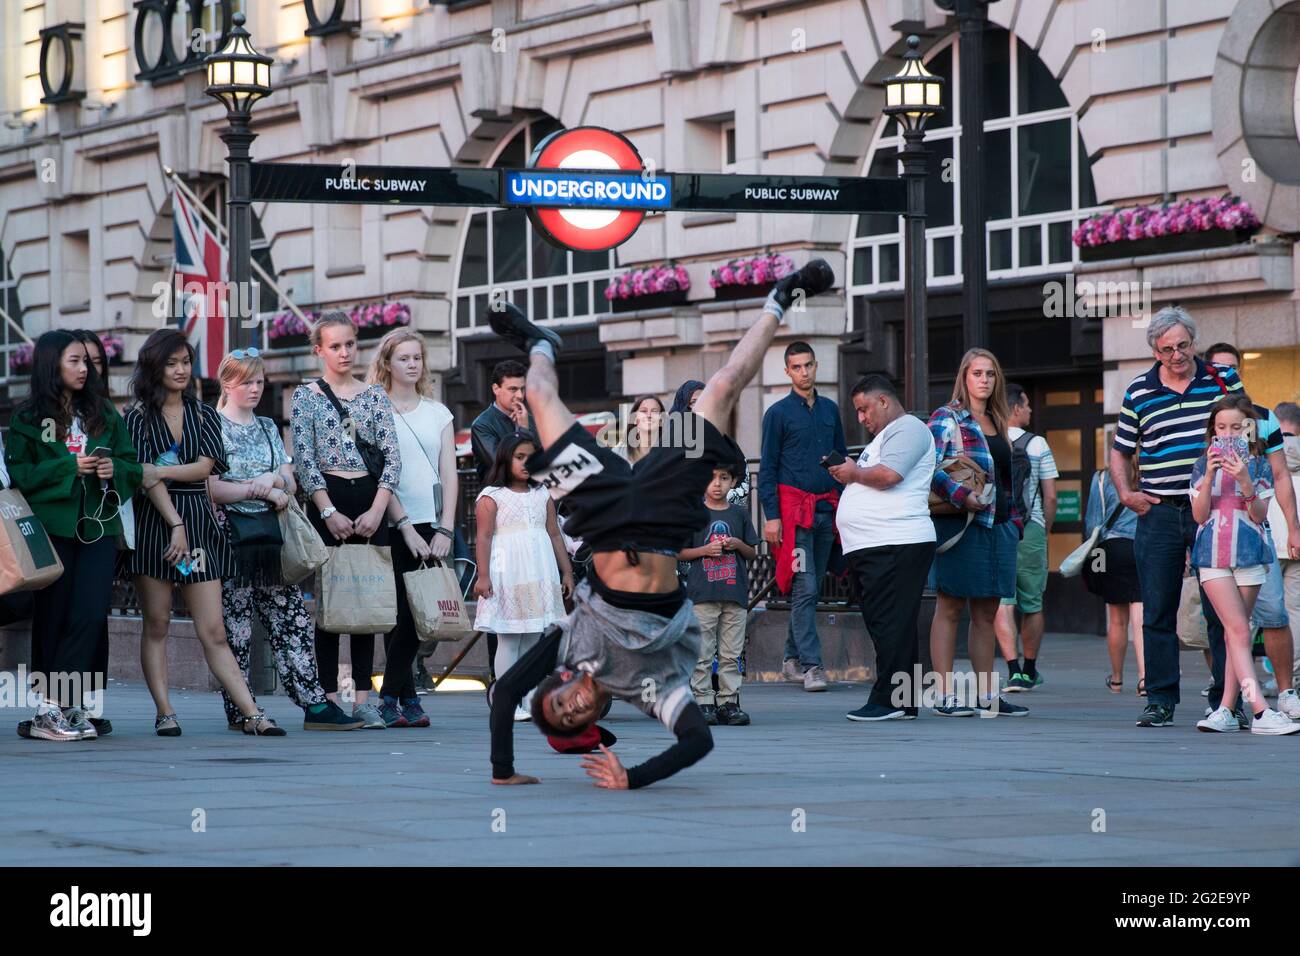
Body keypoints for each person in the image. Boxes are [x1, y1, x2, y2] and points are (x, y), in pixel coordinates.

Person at [486, 259, 836, 789]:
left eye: (561, 702)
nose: (576, 703)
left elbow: (507, 690)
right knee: (719, 390)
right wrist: (634, 777)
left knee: (538, 398)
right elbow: (698, 740)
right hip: (664, 514)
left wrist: (502, 772)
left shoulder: (570, 647)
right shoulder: (649, 687)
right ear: (591, 724)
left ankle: (538, 344)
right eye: (575, 717)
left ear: (558, 682)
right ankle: (781, 298)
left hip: (602, 510)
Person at [1110, 308, 1288, 728]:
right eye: (1167, 349)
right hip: (1159, 510)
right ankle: (1160, 699)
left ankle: (1226, 701)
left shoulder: (1222, 378)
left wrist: (1248, 481)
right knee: (1156, 605)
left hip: (1219, 510)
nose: (1176, 355)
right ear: (1155, 350)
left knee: (1222, 612)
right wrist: (1126, 494)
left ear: (1194, 341)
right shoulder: (1139, 390)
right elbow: (1121, 449)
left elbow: (1251, 430)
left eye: (1183, 346)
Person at [123, 329, 283, 736]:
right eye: (171, 362)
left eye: (185, 362)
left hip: (199, 522)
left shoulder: (204, 413)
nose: (180, 370)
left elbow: (205, 467)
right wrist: (173, 521)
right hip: (155, 524)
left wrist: (160, 471)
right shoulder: (137, 417)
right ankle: (164, 712)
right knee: (156, 622)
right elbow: (143, 478)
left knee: (213, 629)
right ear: (154, 367)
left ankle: (252, 712)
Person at [208, 349, 363, 731]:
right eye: (247, 381)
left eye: (259, 381)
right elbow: (209, 486)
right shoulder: (211, 424)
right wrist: (259, 489)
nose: (255, 388)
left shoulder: (266, 426)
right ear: (227, 383)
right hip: (230, 538)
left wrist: (274, 483)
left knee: (292, 619)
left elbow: (290, 479)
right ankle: (242, 708)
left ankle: (314, 704)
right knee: (236, 627)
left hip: (273, 538)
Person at [6, 331, 141, 741]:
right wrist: (70, 468)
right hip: (51, 530)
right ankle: (55, 709)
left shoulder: (103, 411)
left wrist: (110, 469)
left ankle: (56, 708)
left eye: (87, 361)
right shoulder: (28, 418)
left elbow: (132, 466)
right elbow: (19, 477)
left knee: (89, 613)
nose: (85, 369)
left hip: (98, 526)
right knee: (54, 617)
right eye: (75, 361)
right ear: (52, 365)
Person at [291, 310, 402, 730]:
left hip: (371, 499)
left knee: (367, 597)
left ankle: (362, 698)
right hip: (330, 498)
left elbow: (392, 456)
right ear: (319, 350)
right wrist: (327, 511)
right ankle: (329, 699)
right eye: (335, 345)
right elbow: (304, 461)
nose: (344, 352)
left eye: (350, 344)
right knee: (330, 601)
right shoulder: (306, 396)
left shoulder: (374, 395)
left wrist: (377, 508)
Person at [827, 375, 936, 721]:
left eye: (864, 409)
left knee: (892, 622)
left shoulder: (909, 428)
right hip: (878, 543)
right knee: (888, 622)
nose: (861, 419)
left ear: (884, 402)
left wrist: (853, 473)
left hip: (895, 541)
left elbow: (889, 476)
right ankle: (901, 699)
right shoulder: (885, 437)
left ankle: (890, 699)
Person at [928, 348, 1028, 718]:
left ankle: (987, 694)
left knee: (987, 611)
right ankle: (944, 694)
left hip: (998, 526)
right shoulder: (948, 418)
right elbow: (930, 467)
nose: (984, 380)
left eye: (990, 374)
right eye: (978, 374)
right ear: (964, 377)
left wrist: (1014, 520)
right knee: (950, 606)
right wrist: (961, 494)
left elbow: (1006, 481)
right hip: (960, 523)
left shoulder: (999, 420)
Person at [1201, 343, 1300, 719]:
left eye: (1232, 370)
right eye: (1218, 370)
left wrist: (1293, 527)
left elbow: (1279, 475)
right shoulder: (1209, 423)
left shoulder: (1263, 419)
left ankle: (1285, 691)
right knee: (1230, 625)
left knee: (1273, 613)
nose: (1227, 377)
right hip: (1217, 544)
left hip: (1258, 536)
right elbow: (1198, 501)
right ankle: (1231, 701)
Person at [370, 328, 458, 728]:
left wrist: (446, 529)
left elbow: (450, 475)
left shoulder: (438, 413)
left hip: (432, 522)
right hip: (391, 522)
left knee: (421, 614)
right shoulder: (374, 409)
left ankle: (397, 696)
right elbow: (379, 476)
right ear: (387, 363)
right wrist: (403, 524)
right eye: (403, 357)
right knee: (401, 614)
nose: (411, 364)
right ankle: (398, 697)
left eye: (416, 358)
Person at [758, 342, 847, 692]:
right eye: (796, 367)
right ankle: (812, 666)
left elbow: (839, 460)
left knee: (811, 588)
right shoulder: (777, 414)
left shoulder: (830, 409)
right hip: (793, 515)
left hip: (826, 509)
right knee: (806, 585)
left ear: (816, 365)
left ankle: (790, 659)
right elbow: (767, 469)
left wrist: (843, 502)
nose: (804, 372)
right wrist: (772, 517)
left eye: (808, 365)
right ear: (787, 372)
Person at [473, 431, 573, 721]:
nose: (526, 463)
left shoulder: (542, 494)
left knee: (533, 637)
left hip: (538, 572)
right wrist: (483, 576)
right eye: (519, 457)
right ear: (505, 458)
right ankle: (507, 699)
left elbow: (555, 533)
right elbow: (484, 537)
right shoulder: (492, 497)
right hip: (508, 573)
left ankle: (529, 698)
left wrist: (566, 571)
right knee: (509, 637)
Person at [678, 462, 758, 726]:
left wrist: (738, 545)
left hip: (735, 594)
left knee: (731, 653)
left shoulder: (740, 514)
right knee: (702, 651)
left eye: (724, 478)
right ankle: (703, 702)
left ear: (734, 482)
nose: (717, 484)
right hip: (702, 594)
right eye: (711, 478)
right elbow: (680, 552)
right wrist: (704, 551)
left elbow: (752, 552)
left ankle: (729, 702)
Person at [994, 383, 1058, 692]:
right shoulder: (1038, 445)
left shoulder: (988, 440)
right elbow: (1051, 498)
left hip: (999, 527)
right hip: (1029, 526)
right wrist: (1043, 531)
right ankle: (1030, 670)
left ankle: (1013, 670)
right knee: (1032, 603)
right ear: (1015, 408)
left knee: (1004, 602)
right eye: (1027, 404)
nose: (1031, 410)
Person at [1082, 448, 1145, 695]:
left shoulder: (1102, 478)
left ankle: (1117, 679)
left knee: (1117, 620)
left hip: (1111, 550)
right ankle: (1144, 679)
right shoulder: (1148, 476)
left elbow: (1093, 523)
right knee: (1141, 620)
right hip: (1141, 547)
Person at [1270, 402, 1300, 697]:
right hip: (1297, 539)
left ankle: (1242, 680)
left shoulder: (1268, 451)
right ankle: (1292, 679)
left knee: (1260, 613)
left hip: (1266, 539)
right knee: (1295, 610)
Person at [471, 359, 534, 482]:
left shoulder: (531, 420)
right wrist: (524, 431)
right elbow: (502, 466)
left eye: (522, 389)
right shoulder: (482, 425)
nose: (520, 395)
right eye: (513, 389)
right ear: (496, 389)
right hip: (498, 498)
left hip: (533, 496)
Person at [614, 394, 664, 466]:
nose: (649, 415)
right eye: (643, 411)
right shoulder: (619, 452)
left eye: (654, 411)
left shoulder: (670, 452)